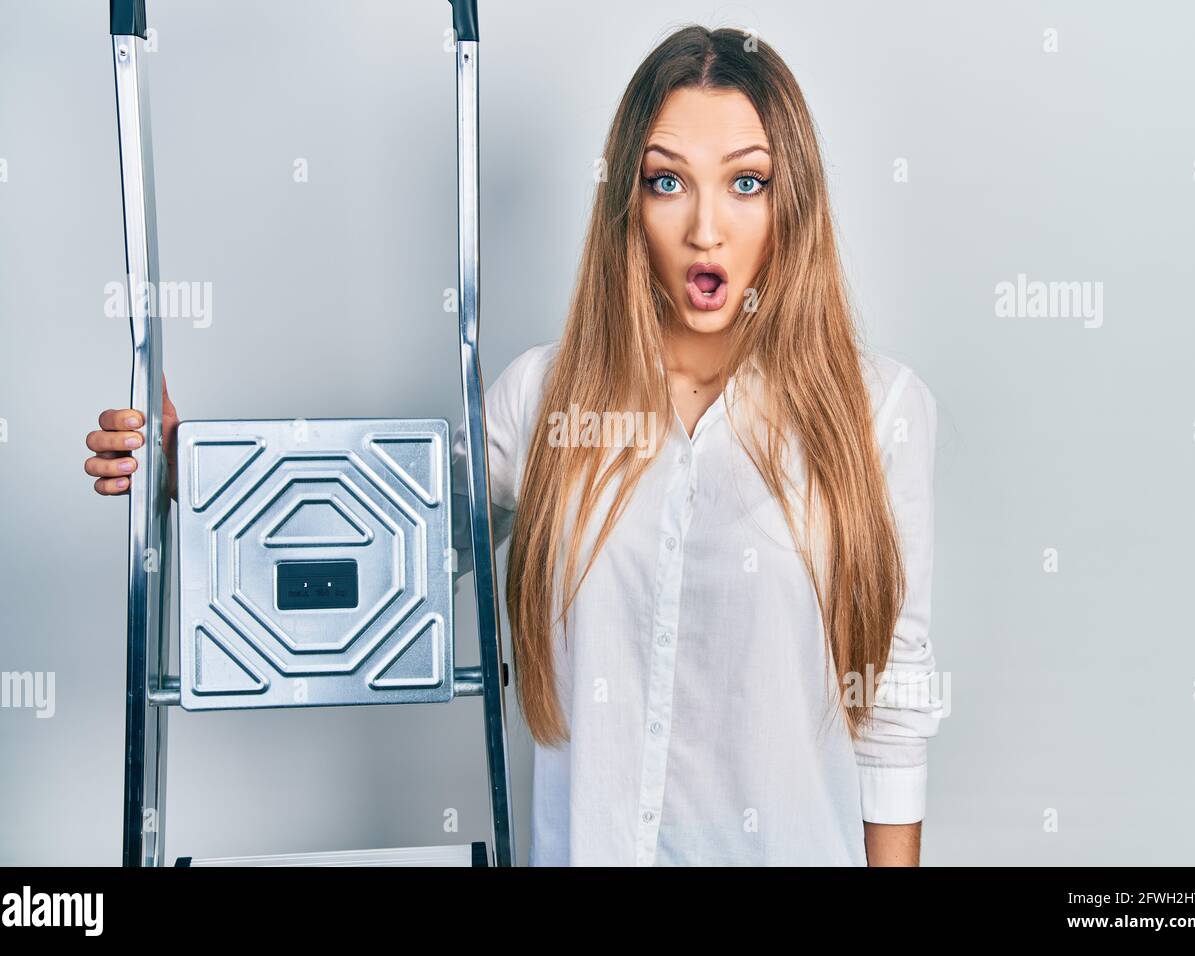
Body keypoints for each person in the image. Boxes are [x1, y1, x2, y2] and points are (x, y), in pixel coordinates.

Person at [84, 25, 942, 866]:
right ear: (628, 202)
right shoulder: (543, 400)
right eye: (667, 182)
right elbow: (387, 546)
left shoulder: (880, 413)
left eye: (746, 183)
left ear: (794, 200)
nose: (706, 229)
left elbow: (893, 709)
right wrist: (186, 467)